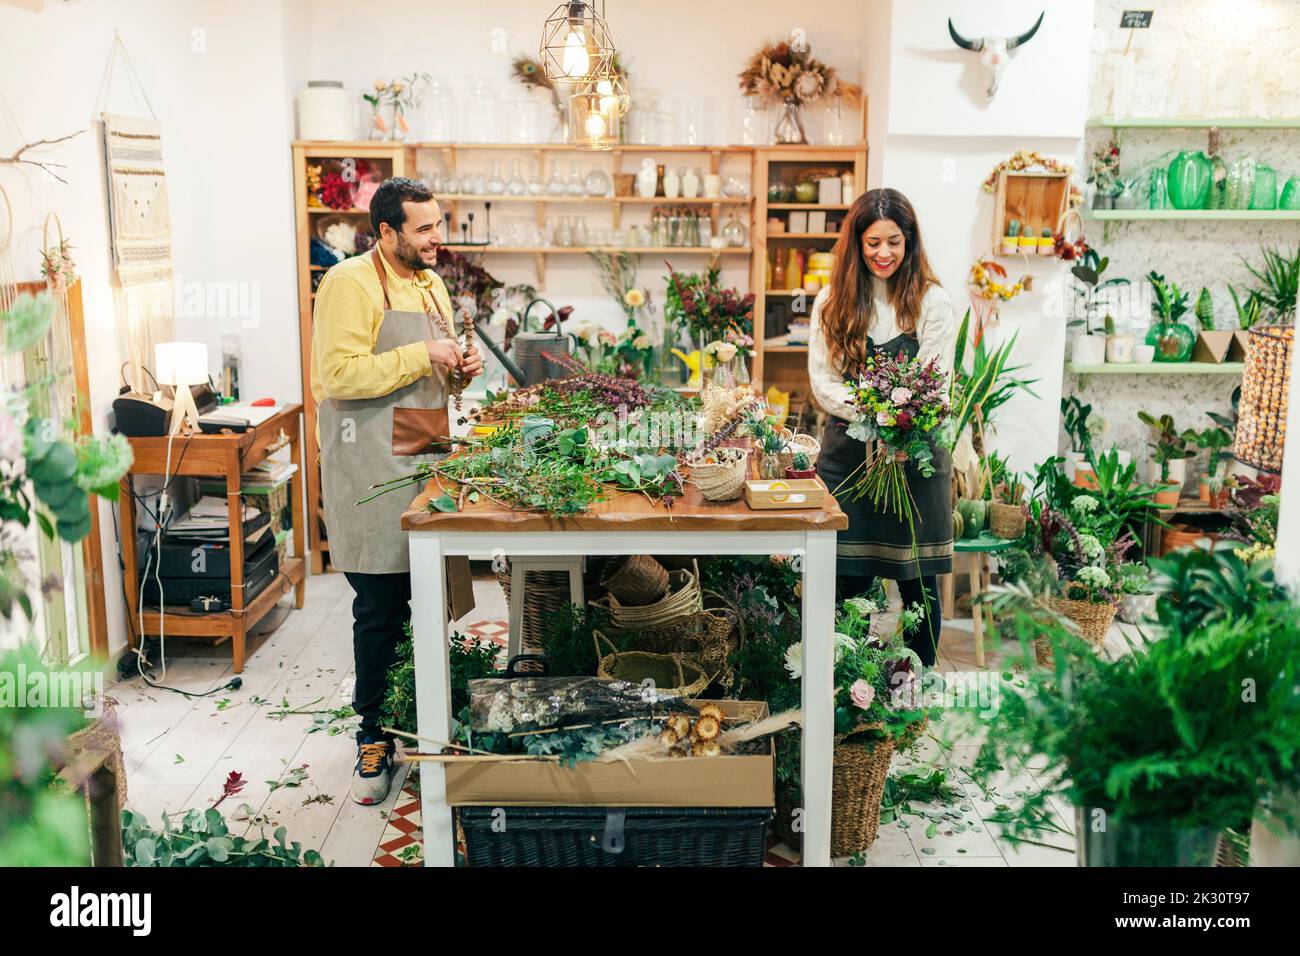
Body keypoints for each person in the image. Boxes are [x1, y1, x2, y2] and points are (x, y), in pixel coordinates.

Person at [311, 177, 483, 804]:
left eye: (439, 225)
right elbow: (337, 375)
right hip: (370, 462)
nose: (438, 238)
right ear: (385, 232)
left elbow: (437, 379)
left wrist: (458, 369)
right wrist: (423, 353)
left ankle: (419, 721)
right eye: (424, 228)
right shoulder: (349, 283)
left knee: (424, 599)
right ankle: (372, 739)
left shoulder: (429, 283)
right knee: (380, 608)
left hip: (420, 449)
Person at [808, 188, 956, 666]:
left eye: (894, 241)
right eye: (873, 242)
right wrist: (878, 412)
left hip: (913, 462)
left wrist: (900, 422)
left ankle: (916, 692)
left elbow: (937, 384)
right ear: (856, 243)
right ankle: (850, 689)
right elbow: (824, 382)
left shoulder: (932, 302)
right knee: (845, 579)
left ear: (909, 242)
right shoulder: (833, 302)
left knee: (917, 582)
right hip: (849, 460)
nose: (884, 253)